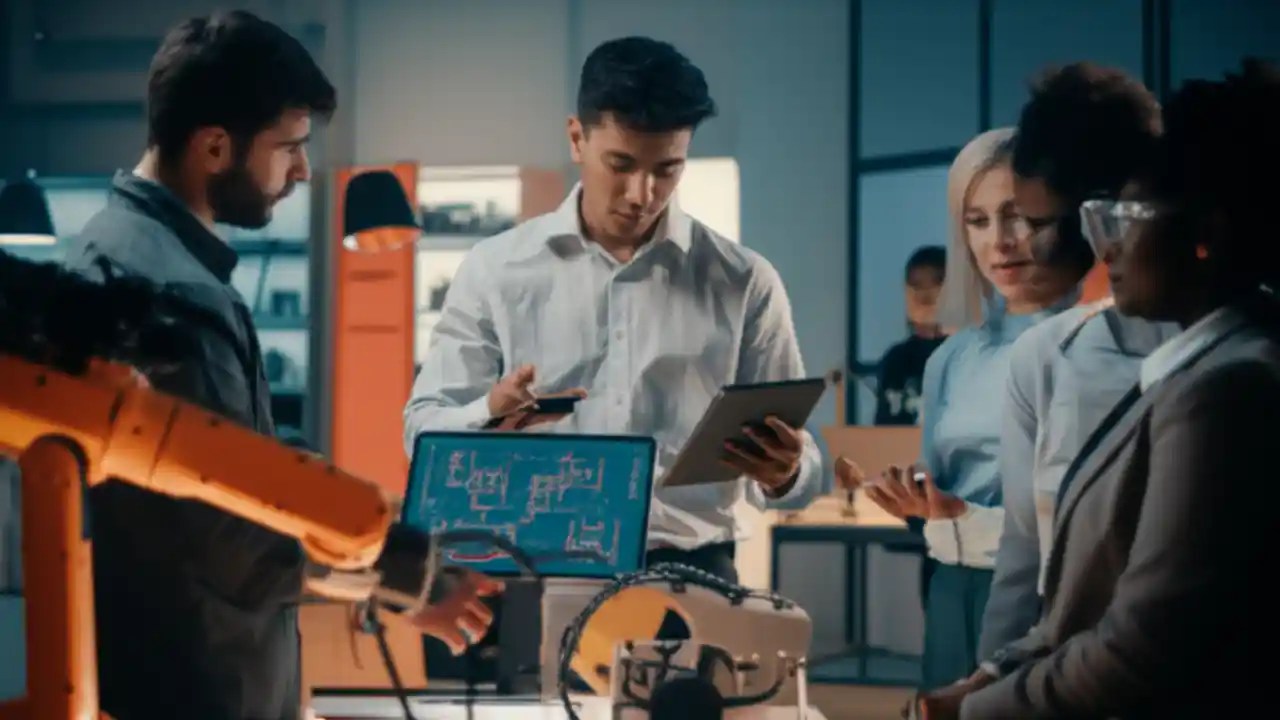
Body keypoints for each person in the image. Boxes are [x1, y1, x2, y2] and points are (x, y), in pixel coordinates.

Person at [62, 12, 497, 719]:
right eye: (289, 147)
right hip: (199, 687)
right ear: (213, 146)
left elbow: (247, 457)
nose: (301, 169)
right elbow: (229, 531)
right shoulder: (171, 291)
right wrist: (402, 577)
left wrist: (381, 528)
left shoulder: (133, 255)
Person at [922, 58, 1280, 720]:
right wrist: (994, 674)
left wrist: (986, 708)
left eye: (1126, 215)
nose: (1099, 245)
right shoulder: (1068, 358)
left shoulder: (1227, 384)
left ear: (1201, 233)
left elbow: (1143, 643)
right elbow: (1036, 572)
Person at [404, 36, 822, 584]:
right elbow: (422, 433)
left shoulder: (745, 282)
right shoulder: (494, 271)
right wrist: (488, 413)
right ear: (577, 138)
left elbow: (804, 465)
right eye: (620, 164)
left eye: (667, 170)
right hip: (532, 571)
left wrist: (787, 472)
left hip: (692, 570)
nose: (641, 194)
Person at [836, 128, 1080, 690]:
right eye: (977, 220)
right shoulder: (951, 356)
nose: (1000, 240)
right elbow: (935, 486)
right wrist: (914, 497)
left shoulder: (1083, 344)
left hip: (1043, 591)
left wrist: (967, 516)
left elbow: (1084, 517)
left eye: (1018, 215)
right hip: (948, 580)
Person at [975, 63, 1180, 663]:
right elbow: (1021, 561)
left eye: (1042, 224)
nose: (1029, 245)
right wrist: (987, 683)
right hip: (1061, 678)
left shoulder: (1237, 356)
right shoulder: (1045, 358)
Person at [874, 245, 947, 426]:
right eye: (916, 285)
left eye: (935, 283)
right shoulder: (895, 359)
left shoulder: (969, 354)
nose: (924, 294)